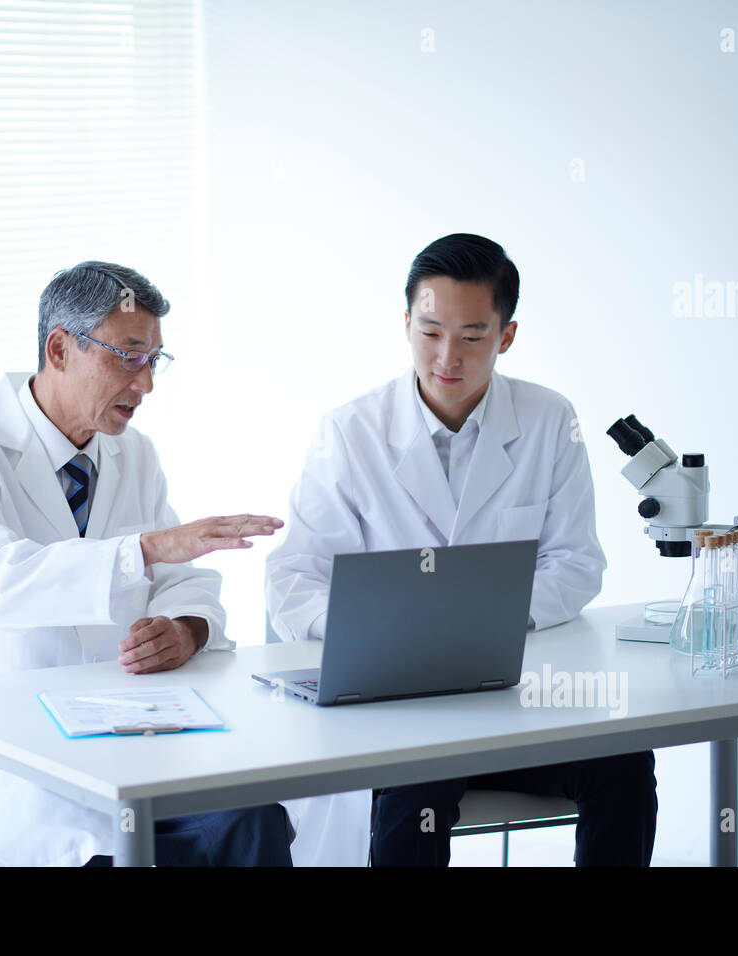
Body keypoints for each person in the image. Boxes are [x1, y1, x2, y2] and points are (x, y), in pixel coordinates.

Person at [266, 234, 658, 866]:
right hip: (402, 709)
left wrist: (483, 624)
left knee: (624, 763)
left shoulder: (550, 420)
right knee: (415, 791)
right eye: (430, 332)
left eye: (473, 336)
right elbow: (293, 577)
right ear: (405, 324)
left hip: (519, 701)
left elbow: (578, 562)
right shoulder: (349, 431)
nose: (447, 357)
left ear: (505, 336)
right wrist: (375, 632)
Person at [0, 261, 292, 866]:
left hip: (123, 724)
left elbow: (183, 582)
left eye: (154, 361)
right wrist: (146, 549)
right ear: (60, 348)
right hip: (1, 739)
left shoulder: (133, 454)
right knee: (102, 854)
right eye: (129, 357)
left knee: (251, 819)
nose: (146, 386)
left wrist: (185, 629)